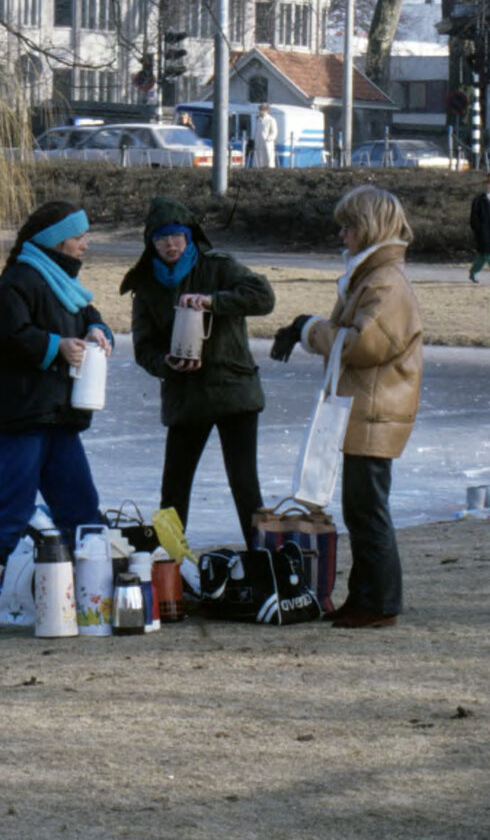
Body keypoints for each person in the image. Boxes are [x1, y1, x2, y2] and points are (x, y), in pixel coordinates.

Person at [270, 184, 423, 630]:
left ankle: (378, 603)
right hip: (367, 409)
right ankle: (367, 597)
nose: (343, 236)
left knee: (367, 509)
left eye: (349, 227)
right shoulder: (371, 277)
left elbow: (361, 345)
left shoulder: (385, 282)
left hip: (376, 411)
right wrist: (312, 330)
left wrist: (310, 329)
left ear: (369, 227)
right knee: (362, 508)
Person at [0, 199, 115, 630]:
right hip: (21, 416)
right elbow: (4, 331)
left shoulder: (63, 283)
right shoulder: (19, 281)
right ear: (55, 241)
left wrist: (98, 329)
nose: (86, 244)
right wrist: (55, 347)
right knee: (13, 508)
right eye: (79, 237)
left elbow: (87, 312)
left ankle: (85, 599)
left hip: (59, 417)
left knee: (82, 506)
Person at [120, 196, 275, 547]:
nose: (170, 245)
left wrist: (212, 302)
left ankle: (265, 562)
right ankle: (167, 563)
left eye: (177, 236)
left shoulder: (217, 267)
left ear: (189, 238)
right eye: (161, 239)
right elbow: (144, 348)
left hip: (234, 391)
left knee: (245, 485)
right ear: (151, 243)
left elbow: (263, 298)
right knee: (174, 487)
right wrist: (166, 364)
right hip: (185, 397)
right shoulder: (146, 285)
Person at [253, 104, 279, 169]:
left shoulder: (271, 119)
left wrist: (268, 139)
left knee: (268, 160)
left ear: (267, 111)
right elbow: (256, 130)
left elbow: (274, 132)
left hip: (267, 144)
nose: (261, 111)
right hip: (258, 143)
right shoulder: (257, 119)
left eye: (263, 110)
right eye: (260, 110)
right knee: (258, 160)